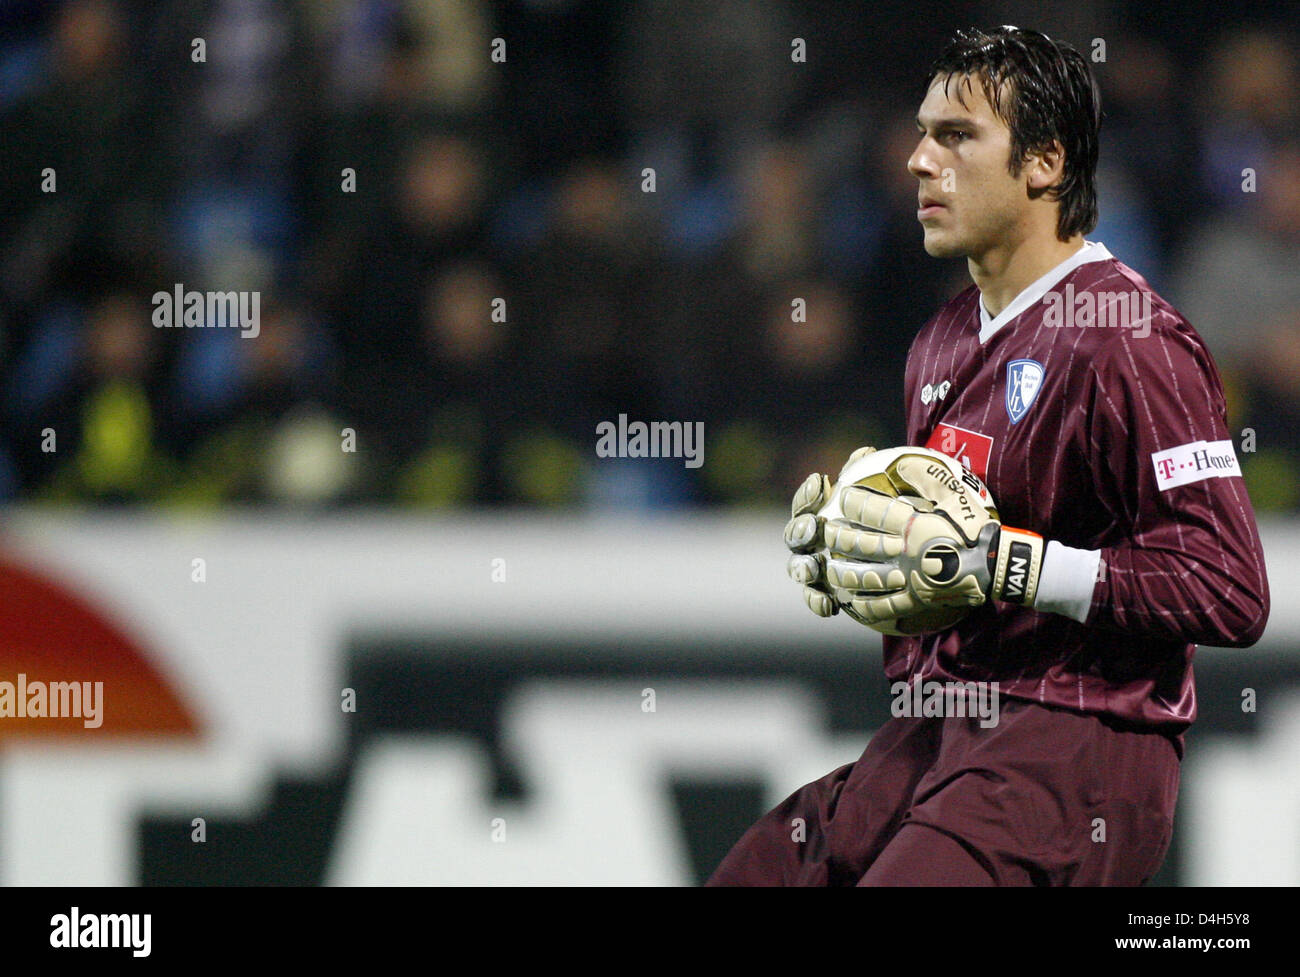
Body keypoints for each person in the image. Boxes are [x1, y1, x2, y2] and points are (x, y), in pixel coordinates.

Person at [707, 26, 1270, 886]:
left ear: (1045, 162)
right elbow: (951, 584)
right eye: (922, 132)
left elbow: (1230, 589)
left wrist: (1013, 563)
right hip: (942, 735)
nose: (918, 160)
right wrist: (870, 567)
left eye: (956, 136)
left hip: (1075, 752)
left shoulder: (1132, 339)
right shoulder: (937, 341)